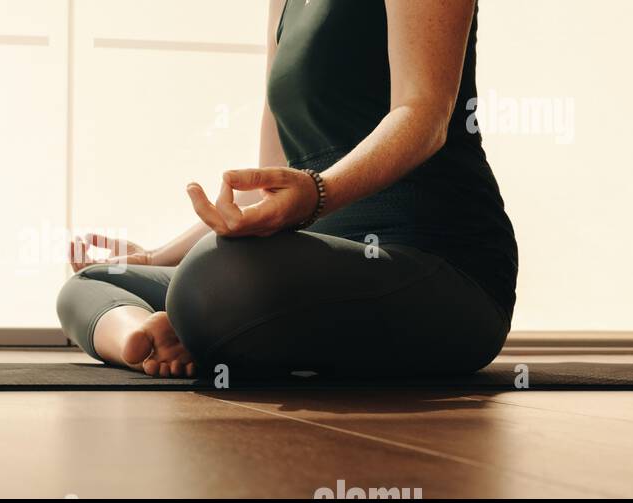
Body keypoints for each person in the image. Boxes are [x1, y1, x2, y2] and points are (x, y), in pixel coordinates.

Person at [57, 0, 517, 379]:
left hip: (438, 267)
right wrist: (154, 257)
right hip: (311, 266)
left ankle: (191, 324)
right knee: (95, 282)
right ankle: (147, 339)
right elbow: (268, 184)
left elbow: (424, 113)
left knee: (214, 280)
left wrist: (319, 192)